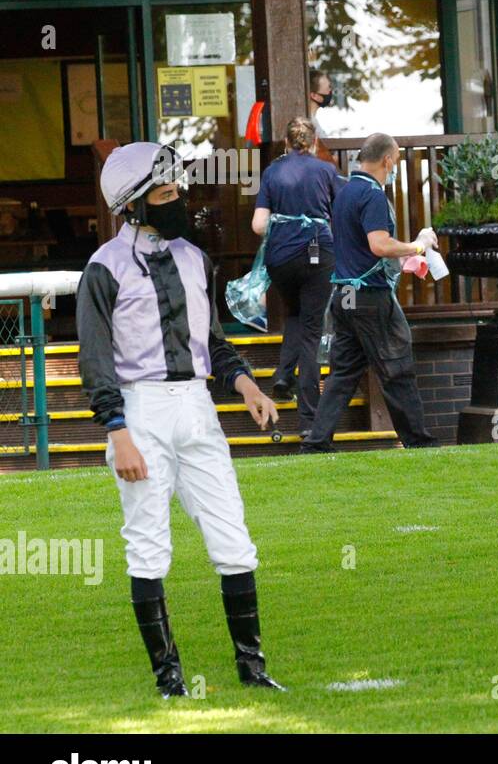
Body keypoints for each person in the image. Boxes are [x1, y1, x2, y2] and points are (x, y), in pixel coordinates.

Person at [77, 141, 285, 698]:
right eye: (167, 194)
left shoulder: (195, 259)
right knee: (148, 545)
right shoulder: (104, 268)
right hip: (139, 412)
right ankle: (169, 680)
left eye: (177, 191)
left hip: (198, 409)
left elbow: (213, 344)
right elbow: (94, 361)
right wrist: (117, 433)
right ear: (135, 203)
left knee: (234, 541)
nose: (179, 202)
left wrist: (246, 386)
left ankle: (253, 669)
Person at [301, 133, 438, 453]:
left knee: (342, 374)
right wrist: (417, 245)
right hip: (370, 298)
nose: (394, 168)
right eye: (395, 161)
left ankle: (316, 442)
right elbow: (379, 245)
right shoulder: (373, 195)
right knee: (397, 367)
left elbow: (362, 247)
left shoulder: (345, 191)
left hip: (344, 296)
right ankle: (419, 441)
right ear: (387, 160)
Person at [253, 117, 345, 437]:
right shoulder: (325, 170)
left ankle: (282, 375)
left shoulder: (272, 172)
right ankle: (309, 421)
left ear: (286, 142)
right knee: (311, 331)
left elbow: (258, 225)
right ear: (315, 141)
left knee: (295, 314)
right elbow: (343, 211)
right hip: (318, 255)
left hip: (280, 258)